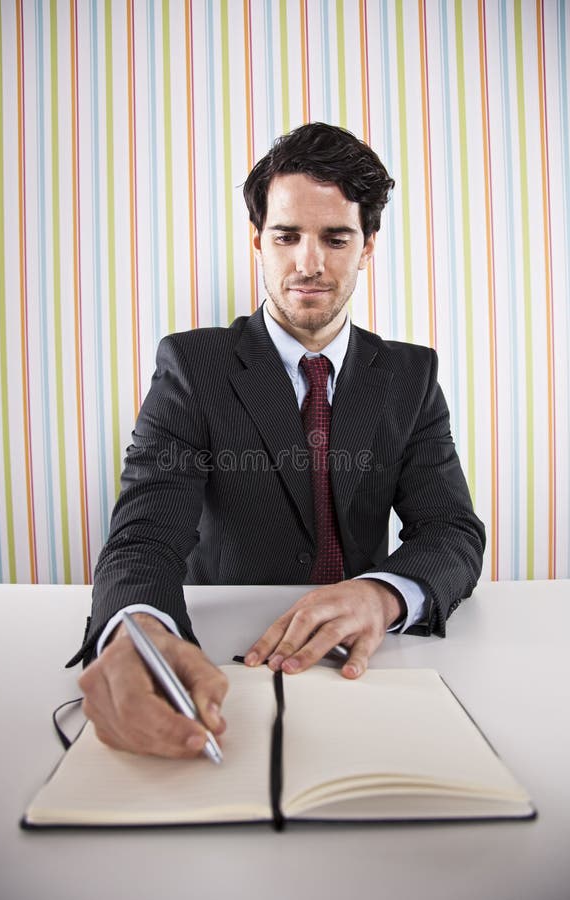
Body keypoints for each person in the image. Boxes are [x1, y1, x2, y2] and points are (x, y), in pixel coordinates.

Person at [71, 122, 485, 760]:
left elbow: (451, 531)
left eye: (336, 238)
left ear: (367, 247)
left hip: (367, 668)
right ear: (257, 241)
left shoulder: (410, 375)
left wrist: (382, 594)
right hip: (230, 659)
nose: (309, 264)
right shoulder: (193, 365)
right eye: (287, 236)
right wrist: (138, 631)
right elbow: (145, 535)